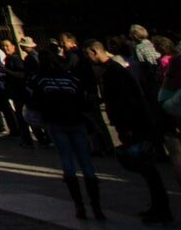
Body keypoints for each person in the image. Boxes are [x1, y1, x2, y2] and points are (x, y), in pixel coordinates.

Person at [85, 40, 171, 224]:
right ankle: (158, 206)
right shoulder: (117, 68)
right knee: (148, 170)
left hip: (134, 124)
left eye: (89, 55)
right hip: (137, 122)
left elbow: (125, 100)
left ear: (94, 51)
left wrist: (127, 127)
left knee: (147, 168)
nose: (89, 59)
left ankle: (162, 208)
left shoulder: (113, 71)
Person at [25, 41, 105, 221]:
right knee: (86, 164)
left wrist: (41, 118)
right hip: (76, 122)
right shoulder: (71, 78)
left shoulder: (38, 79)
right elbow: (85, 100)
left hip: (56, 123)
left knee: (67, 162)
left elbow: (32, 102)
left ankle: (79, 206)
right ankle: (97, 207)